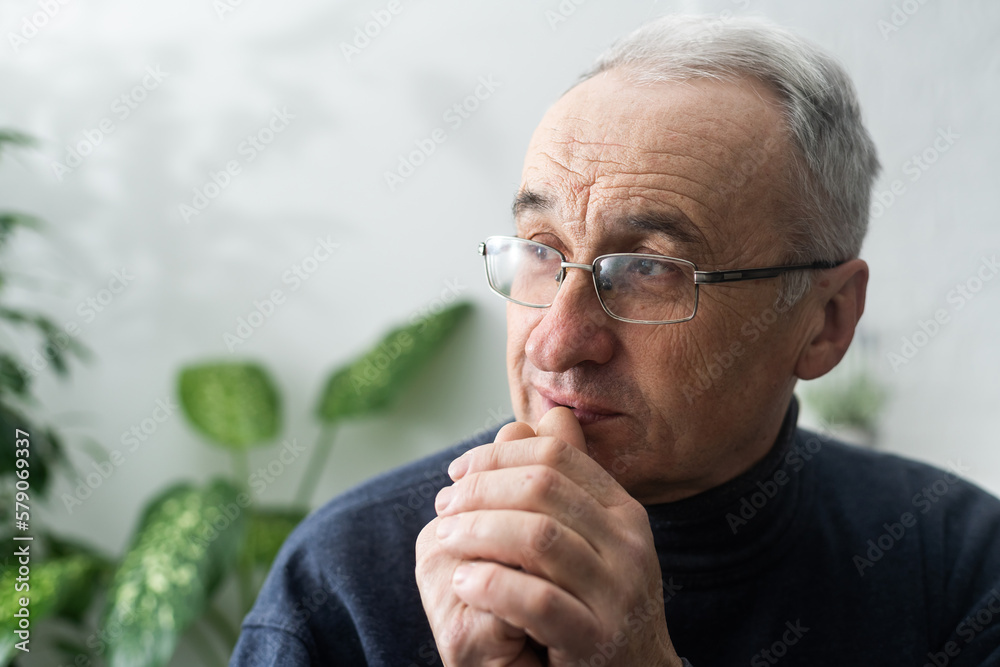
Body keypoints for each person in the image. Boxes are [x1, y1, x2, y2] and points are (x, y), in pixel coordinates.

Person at [230, 14, 1000, 666]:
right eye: (539, 250)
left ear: (825, 321)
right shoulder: (343, 581)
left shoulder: (960, 568)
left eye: (648, 269)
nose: (559, 341)